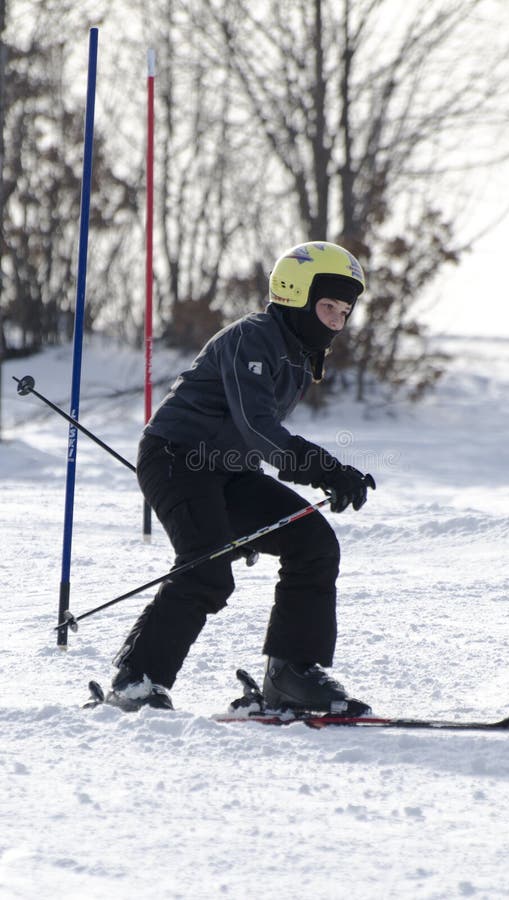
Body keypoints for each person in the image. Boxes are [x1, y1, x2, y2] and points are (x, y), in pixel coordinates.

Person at [110, 240, 375, 712]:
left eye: (344, 310)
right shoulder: (254, 337)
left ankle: (292, 674)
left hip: (229, 471)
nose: (336, 319)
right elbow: (258, 428)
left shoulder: (296, 351)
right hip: (177, 458)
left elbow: (252, 440)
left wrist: (318, 473)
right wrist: (325, 470)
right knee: (207, 566)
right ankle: (137, 681)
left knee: (312, 542)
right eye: (328, 306)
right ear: (294, 295)